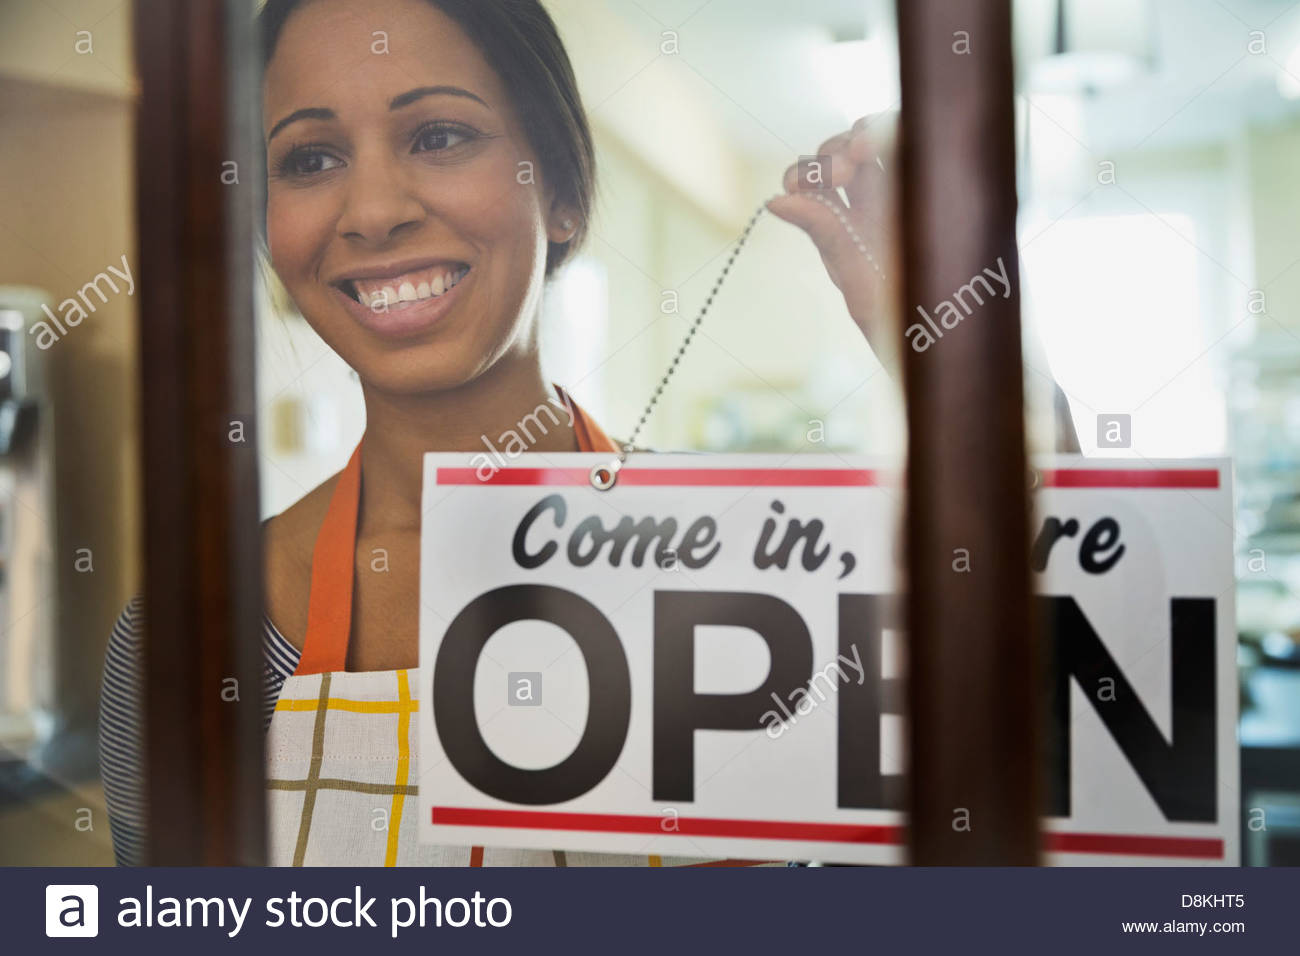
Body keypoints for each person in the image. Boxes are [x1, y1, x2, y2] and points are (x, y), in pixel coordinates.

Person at [100, 0, 917, 866]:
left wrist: (946, 328)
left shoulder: (776, 567)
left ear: (561, 194)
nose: (373, 209)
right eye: (309, 158)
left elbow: (1043, 758)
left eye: (439, 135)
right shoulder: (184, 641)